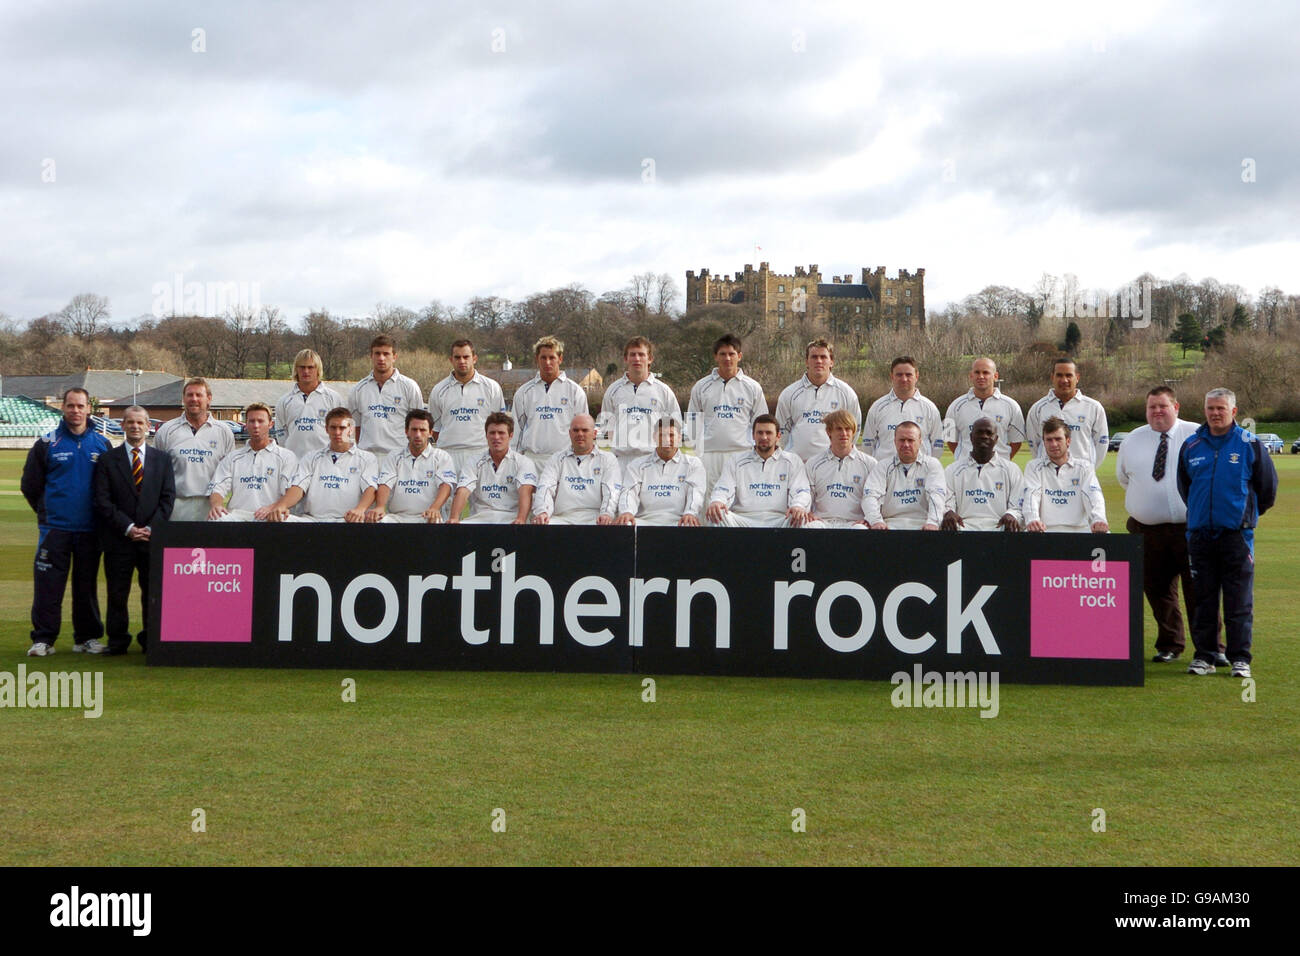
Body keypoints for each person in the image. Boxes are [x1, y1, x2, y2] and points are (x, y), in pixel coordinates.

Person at [1116, 386, 1224, 664]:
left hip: (1192, 529)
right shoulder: (1132, 440)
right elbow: (1124, 479)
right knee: (1157, 591)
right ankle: (1170, 644)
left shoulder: (1198, 435)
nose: (1157, 412)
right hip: (1147, 531)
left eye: (1163, 406)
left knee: (1200, 590)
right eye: (1152, 407)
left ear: (1176, 407)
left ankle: (1211, 649)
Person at [1177, 388, 1278, 678]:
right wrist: (1201, 514)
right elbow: (1186, 488)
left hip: (1236, 537)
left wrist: (1244, 517)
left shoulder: (1250, 444)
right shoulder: (1192, 445)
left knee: (1238, 601)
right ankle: (1205, 656)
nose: (1215, 413)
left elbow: (1267, 490)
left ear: (1233, 412)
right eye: (1210, 408)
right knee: (1203, 600)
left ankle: (1240, 659)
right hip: (1200, 537)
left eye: (1221, 408)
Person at [21, 387, 113, 656]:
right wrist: (46, 513)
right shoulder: (47, 443)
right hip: (55, 529)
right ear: (63, 408)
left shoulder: (101, 444)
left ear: (88, 409)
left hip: (90, 529)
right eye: (71, 406)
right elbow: (30, 485)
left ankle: (86, 638)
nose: (75, 411)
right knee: (48, 586)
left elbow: (108, 487)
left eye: (80, 406)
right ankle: (44, 640)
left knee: (86, 586)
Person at [93, 405, 175, 655]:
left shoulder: (162, 459)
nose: (135, 427)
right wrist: (128, 528)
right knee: (117, 592)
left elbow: (168, 498)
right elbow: (102, 500)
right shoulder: (108, 460)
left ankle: (150, 639)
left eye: (140, 423)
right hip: (119, 539)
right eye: (130, 422)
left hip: (151, 539)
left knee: (151, 593)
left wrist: (151, 527)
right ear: (122, 425)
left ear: (148, 426)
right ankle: (117, 641)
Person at [686, 334, 768, 492]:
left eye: (732, 354)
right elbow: (693, 423)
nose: (727, 358)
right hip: (709, 455)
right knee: (709, 501)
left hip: (742, 453)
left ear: (740, 356)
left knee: (739, 500)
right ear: (715, 357)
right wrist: (696, 456)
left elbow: (761, 422)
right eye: (723, 354)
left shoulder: (752, 387)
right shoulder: (701, 386)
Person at [267, 408, 379, 522]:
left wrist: (360, 509)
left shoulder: (367, 458)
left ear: (350, 429)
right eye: (333, 427)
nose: (337, 432)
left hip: (348, 520)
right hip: (312, 520)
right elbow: (298, 487)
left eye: (342, 428)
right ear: (326, 429)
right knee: (278, 518)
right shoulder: (311, 457)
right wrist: (282, 505)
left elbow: (370, 488)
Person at [152, 377, 235, 521]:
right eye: (189, 395)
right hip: (176, 504)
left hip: (210, 506)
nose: (194, 399)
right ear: (183, 399)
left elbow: (229, 472)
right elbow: (156, 471)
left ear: (209, 399)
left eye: (199, 395)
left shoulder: (224, 432)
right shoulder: (167, 430)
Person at [706, 415, 811, 527]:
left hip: (779, 519)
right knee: (717, 515)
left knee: (800, 518)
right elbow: (723, 487)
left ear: (778, 436)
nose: (764, 437)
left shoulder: (792, 461)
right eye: (760, 433)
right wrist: (717, 501)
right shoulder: (736, 460)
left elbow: (801, 490)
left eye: (769, 433)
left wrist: (798, 505)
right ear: (753, 436)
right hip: (743, 519)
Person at [597, 336, 682, 471]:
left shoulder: (663, 391)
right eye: (633, 355)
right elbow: (606, 426)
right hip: (621, 462)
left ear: (650, 359)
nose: (637, 359)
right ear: (626, 359)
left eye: (641, 354)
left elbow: (676, 427)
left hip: (653, 461)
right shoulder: (613, 390)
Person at [428, 338, 507, 481]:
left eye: (466, 357)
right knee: (449, 502)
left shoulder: (491, 387)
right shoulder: (439, 390)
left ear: (474, 358)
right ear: (451, 360)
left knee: (483, 502)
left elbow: (500, 426)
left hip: (481, 453)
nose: (462, 361)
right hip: (448, 454)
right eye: (457, 357)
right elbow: (435, 429)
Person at [775, 338, 862, 462]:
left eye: (823, 357)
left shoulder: (846, 393)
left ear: (831, 362)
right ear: (806, 361)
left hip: (832, 465)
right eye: (814, 357)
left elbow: (855, 428)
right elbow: (781, 431)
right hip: (798, 465)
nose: (819, 361)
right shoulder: (789, 394)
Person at [207, 403, 298, 521]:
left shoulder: (286, 457)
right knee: (215, 518)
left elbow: (291, 492)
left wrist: (274, 507)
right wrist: (217, 505)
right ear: (246, 425)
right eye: (251, 421)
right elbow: (217, 487)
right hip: (238, 516)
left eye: (260, 421)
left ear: (271, 424)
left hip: (271, 516)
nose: (256, 425)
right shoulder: (233, 457)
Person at [511, 335, 589, 472]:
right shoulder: (524, 392)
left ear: (560, 359)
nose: (547, 362)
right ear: (537, 359)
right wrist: (514, 461)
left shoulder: (575, 391)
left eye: (552, 358)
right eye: (543, 358)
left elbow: (583, 430)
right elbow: (516, 431)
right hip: (532, 461)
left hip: (565, 461)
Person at [369, 410, 459, 523]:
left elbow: (446, 485)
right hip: (397, 517)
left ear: (430, 432)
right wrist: (380, 506)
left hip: (428, 516)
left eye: (422, 430)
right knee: (376, 520)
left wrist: (435, 508)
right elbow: (385, 483)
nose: (418, 435)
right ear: (406, 431)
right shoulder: (394, 456)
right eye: (414, 429)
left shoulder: (442, 457)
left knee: (435, 522)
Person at [449, 412, 538, 524]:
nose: (496, 437)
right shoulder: (473, 461)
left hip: (510, 519)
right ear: (486, 435)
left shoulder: (523, 462)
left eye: (501, 433)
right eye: (492, 433)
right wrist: (454, 518)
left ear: (510, 435)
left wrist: (521, 519)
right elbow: (463, 490)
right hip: (479, 519)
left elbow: (526, 491)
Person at [1022, 416, 1108, 533]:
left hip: (1079, 531)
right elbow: (1032, 495)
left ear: (1068, 441)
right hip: (1044, 530)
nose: (1053, 444)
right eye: (1049, 440)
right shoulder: (1034, 467)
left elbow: (1093, 495)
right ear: (1044, 442)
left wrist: (1099, 519)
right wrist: (1033, 520)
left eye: (1058, 439)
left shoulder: (1084, 467)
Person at [533, 414, 621, 525]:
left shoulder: (608, 459)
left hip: (595, 518)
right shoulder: (557, 459)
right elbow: (545, 487)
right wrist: (543, 512)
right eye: (576, 430)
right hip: (562, 518)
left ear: (594, 434)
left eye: (585, 430)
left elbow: (611, 490)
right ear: (570, 433)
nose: (580, 434)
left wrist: (607, 514)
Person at [615, 418, 705, 527]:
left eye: (671, 435)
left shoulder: (693, 464)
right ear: (654, 437)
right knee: (625, 523)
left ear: (680, 437)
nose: (667, 440)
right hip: (644, 521)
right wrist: (627, 511)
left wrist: (690, 512)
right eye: (662, 435)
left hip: (679, 521)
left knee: (690, 524)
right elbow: (629, 492)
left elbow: (696, 493)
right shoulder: (637, 465)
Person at [348, 334, 425, 459]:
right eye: (377, 353)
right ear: (371, 356)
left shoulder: (409, 386)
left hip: (400, 457)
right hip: (367, 457)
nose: (381, 358)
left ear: (394, 357)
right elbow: (355, 428)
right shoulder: (358, 389)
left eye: (386, 354)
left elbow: (419, 426)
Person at [940, 416, 1024, 531]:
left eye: (989, 433)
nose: (984, 436)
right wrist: (949, 512)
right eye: (979, 432)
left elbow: (1018, 504)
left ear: (996, 438)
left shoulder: (1011, 469)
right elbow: (946, 501)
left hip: (999, 528)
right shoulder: (952, 470)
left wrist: (1012, 514)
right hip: (963, 528)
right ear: (971, 437)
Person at [1024, 357, 1109, 466]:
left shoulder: (1094, 407)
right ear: (1052, 377)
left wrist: (1088, 470)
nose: (1064, 380)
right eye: (1059, 375)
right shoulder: (1038, 409)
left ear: (1077, 377)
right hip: (1049, 477)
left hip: (1082, 477)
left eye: (1069, 375)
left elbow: (1101, 444)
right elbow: (1034, 445)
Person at [863, 421, 946, 530]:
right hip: (889, 524)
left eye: (911, 440)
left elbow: (936, 495)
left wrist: (933, 522)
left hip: (923, 524)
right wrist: (876, 521)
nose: (906, 444)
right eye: (902, 440)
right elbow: (870, 496)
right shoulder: (883, 466)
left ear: (920, 442)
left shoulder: (932, 465)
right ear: (895, 441)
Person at [804, 410, 876, 529]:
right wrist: (808, 512)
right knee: (810, 527)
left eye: (847, 429)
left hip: (853, 523)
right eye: (839, 429)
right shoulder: (813, 463)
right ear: (829, 432)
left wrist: (869, 518)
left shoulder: (870, 464)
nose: (844, 433)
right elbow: (807, 494)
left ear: (853, 432)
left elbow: (874, 498)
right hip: (822, 522)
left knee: (860, 530)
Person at [944, 357, 1026, 461]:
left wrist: (1001, 461)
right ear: (971, 375)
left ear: (995, 376)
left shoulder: (1012, 406)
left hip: (999, 471)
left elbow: (1016, 442)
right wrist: (965, 460)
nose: (981, 376)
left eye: (986, 372)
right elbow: (950, 439)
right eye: (977, 372)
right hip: (966, 472)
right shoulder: (955, 406)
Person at [862, 356, 944, 459]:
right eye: (899, 375)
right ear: (892, 376)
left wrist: (927, 468)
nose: (904, 379)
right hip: (886, 472)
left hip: (920, 472)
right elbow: (867, 444)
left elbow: (938, 444)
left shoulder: (930, 408)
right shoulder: (877, 407)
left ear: (917, 376)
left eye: (908, 375)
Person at [274, 348, 342, 459]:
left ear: (318, 369)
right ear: (296, 369)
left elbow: (341, 430)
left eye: (310, 367)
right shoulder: (284, 401)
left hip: (325, 462)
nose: (306, 371)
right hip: (295, 463)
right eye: (302, 367)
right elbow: (281, 432)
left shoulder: (333, 398)